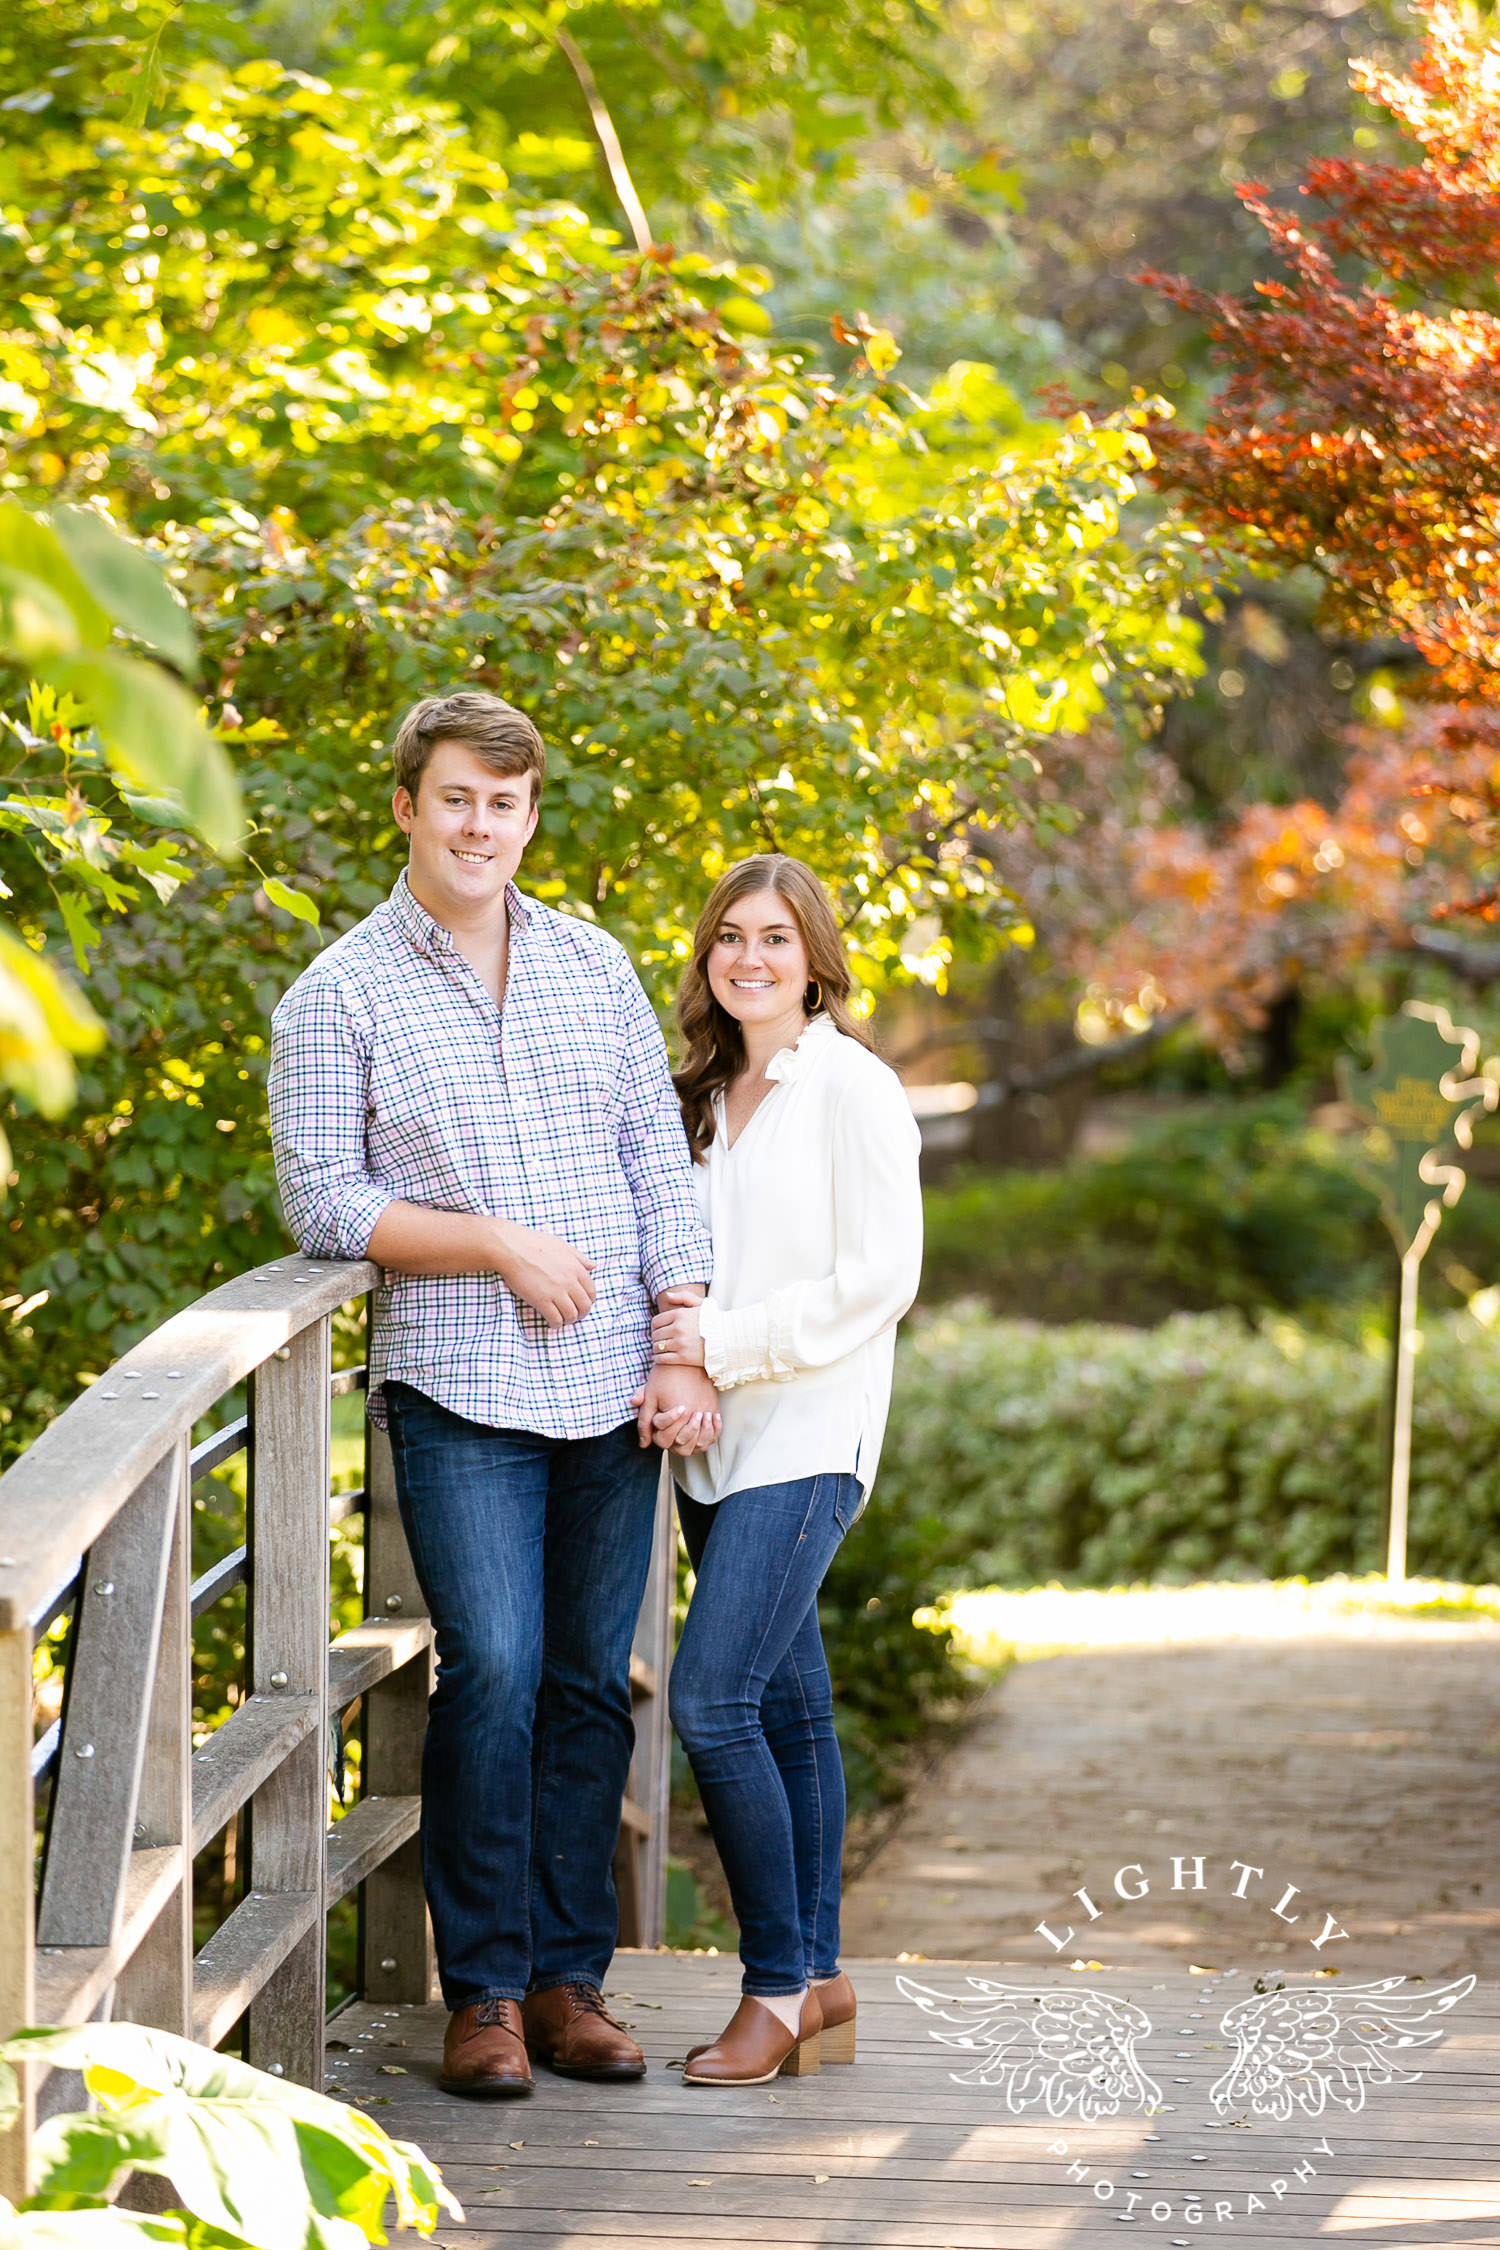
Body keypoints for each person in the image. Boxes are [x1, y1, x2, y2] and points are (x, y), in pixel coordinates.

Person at [268, 691, 720, 2100]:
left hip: (609, 1393)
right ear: (407, 804)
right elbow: (321, 1199)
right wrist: (493, 1241)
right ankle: (483, 1995)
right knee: (499, 1674)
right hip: (461, 1389)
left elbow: (661, 1160)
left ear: (531, 815)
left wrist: (679, 1332)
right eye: (458, 798)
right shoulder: (335, 993)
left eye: (506, 804)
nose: (481, 825)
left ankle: (566, 1980)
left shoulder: (594, 968)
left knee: (592, 1685)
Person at [646, 854, 923, 2085]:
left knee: (711, 1701)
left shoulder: (854, 1088)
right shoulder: (701, 1095)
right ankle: (820, 1974)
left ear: (814, 956)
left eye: (773, 938)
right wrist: (684, 1360)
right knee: (793, 1712)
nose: (748, 959)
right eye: (728, 939)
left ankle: (768, 1988)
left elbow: (880, 1278)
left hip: (810, 1434)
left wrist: (722, 1347)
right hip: (720, 1447)